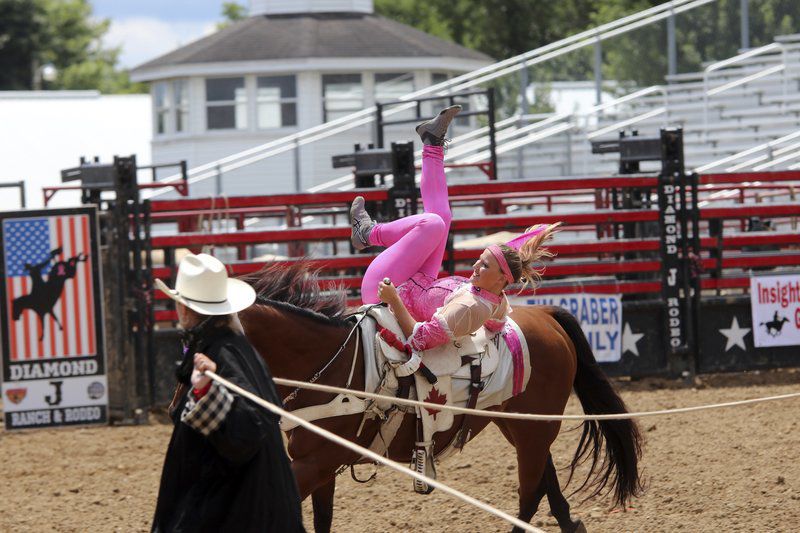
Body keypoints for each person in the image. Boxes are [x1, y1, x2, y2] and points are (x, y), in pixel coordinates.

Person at [350, 105, 560, 351]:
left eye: (484, 264)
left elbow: (419, 340)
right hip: (418, 282)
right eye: (480, 260)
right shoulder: (495, 299)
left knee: (433, 224)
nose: (475, 266)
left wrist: (394, 299)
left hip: (385, 293)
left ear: (502, 278)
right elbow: (497, 321)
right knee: (443, 217)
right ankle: (432, 143)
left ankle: (367, 232)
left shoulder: (470, 307)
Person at [152, 253, 304, 533]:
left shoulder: (223, 355)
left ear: (184, 310)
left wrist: (207, 392)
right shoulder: (237, 350)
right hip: (263, 508)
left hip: (238, 513)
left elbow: (246, 432)